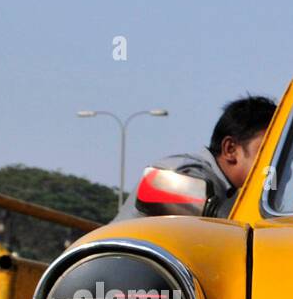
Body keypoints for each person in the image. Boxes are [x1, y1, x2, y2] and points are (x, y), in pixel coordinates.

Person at [114, 94, 276, 220]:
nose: (277, 163)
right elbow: (158, 186)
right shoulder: (184, 173)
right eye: (269, 150)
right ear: (230, 149)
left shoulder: (231, 193)